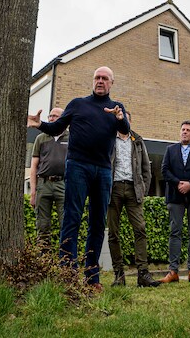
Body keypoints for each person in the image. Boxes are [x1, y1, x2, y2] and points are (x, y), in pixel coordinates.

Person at [28, 66, 129, 291]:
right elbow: (57, 127)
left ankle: (92, 278)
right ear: (92, 81)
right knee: (71, 218)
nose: (100, 81)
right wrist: (39, 124)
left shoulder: (116, 108)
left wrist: (121, 118)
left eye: (104, 78)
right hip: (77, 167)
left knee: (97, 222)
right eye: (97, 77)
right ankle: (68, 274)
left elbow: (125, 131)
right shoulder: (77, 104)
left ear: (112, 83)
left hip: (103, 170)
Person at [107, 125, 161, 287]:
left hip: (133, 189)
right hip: (113, 189)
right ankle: (119, 275)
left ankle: (143, 274)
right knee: (113, 233)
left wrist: (143, 189)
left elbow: (146, 168)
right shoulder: (109, 139)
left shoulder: (137, 140)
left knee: (140, 229)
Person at [159, 121, 190, 283]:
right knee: (175, 231)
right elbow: (164, 170)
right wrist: (178, 183)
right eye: (183, 130)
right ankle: (173, 271)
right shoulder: (170, 150)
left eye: (188, 130)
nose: (185, 132)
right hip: (175, 195)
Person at [29, 107, 67, 245]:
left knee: (66, 224)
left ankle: (65, 261)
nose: (51, 118)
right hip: (43, 184)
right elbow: (33, 167)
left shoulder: (71, 137)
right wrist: (33, 192)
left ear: (63, 119)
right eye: (50, 116)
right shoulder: (41, 138)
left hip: (63, 184)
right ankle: (43, 261)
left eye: (55, 116)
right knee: (42, 225)